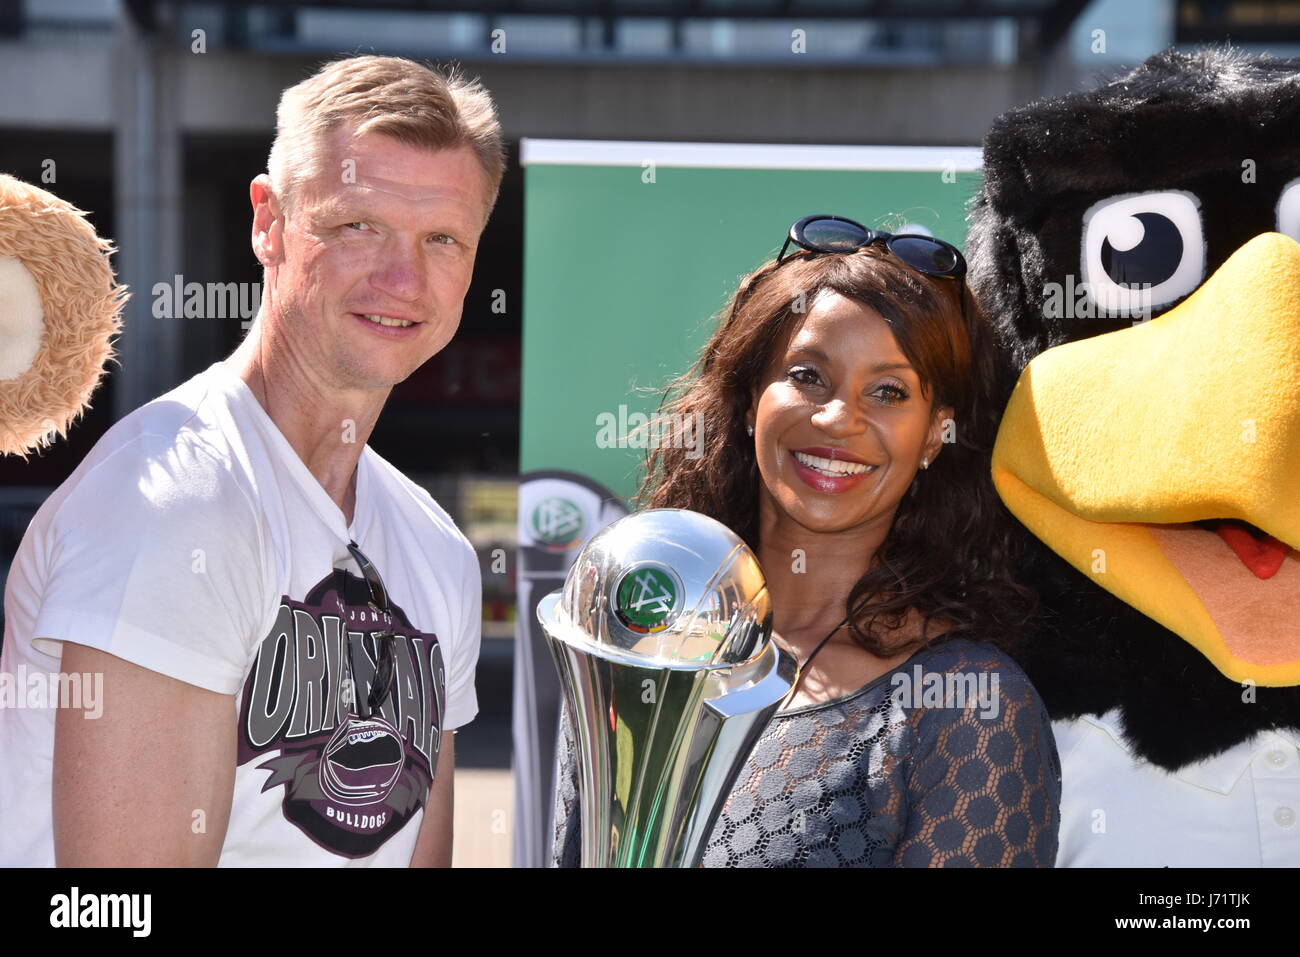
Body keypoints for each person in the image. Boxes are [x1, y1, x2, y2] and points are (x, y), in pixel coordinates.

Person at [0, 55, 504, 866]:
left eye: (443, 239)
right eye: (357, 226)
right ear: (269, 222)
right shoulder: (170, 499)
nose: (404, 278)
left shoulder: (435, 548)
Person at [551, 215, 1061, 867]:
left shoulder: (970, 710)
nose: (837, 418)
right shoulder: (635, 644)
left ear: (935, 433)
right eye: (808, 375)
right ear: (748, 398)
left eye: (887, 391)